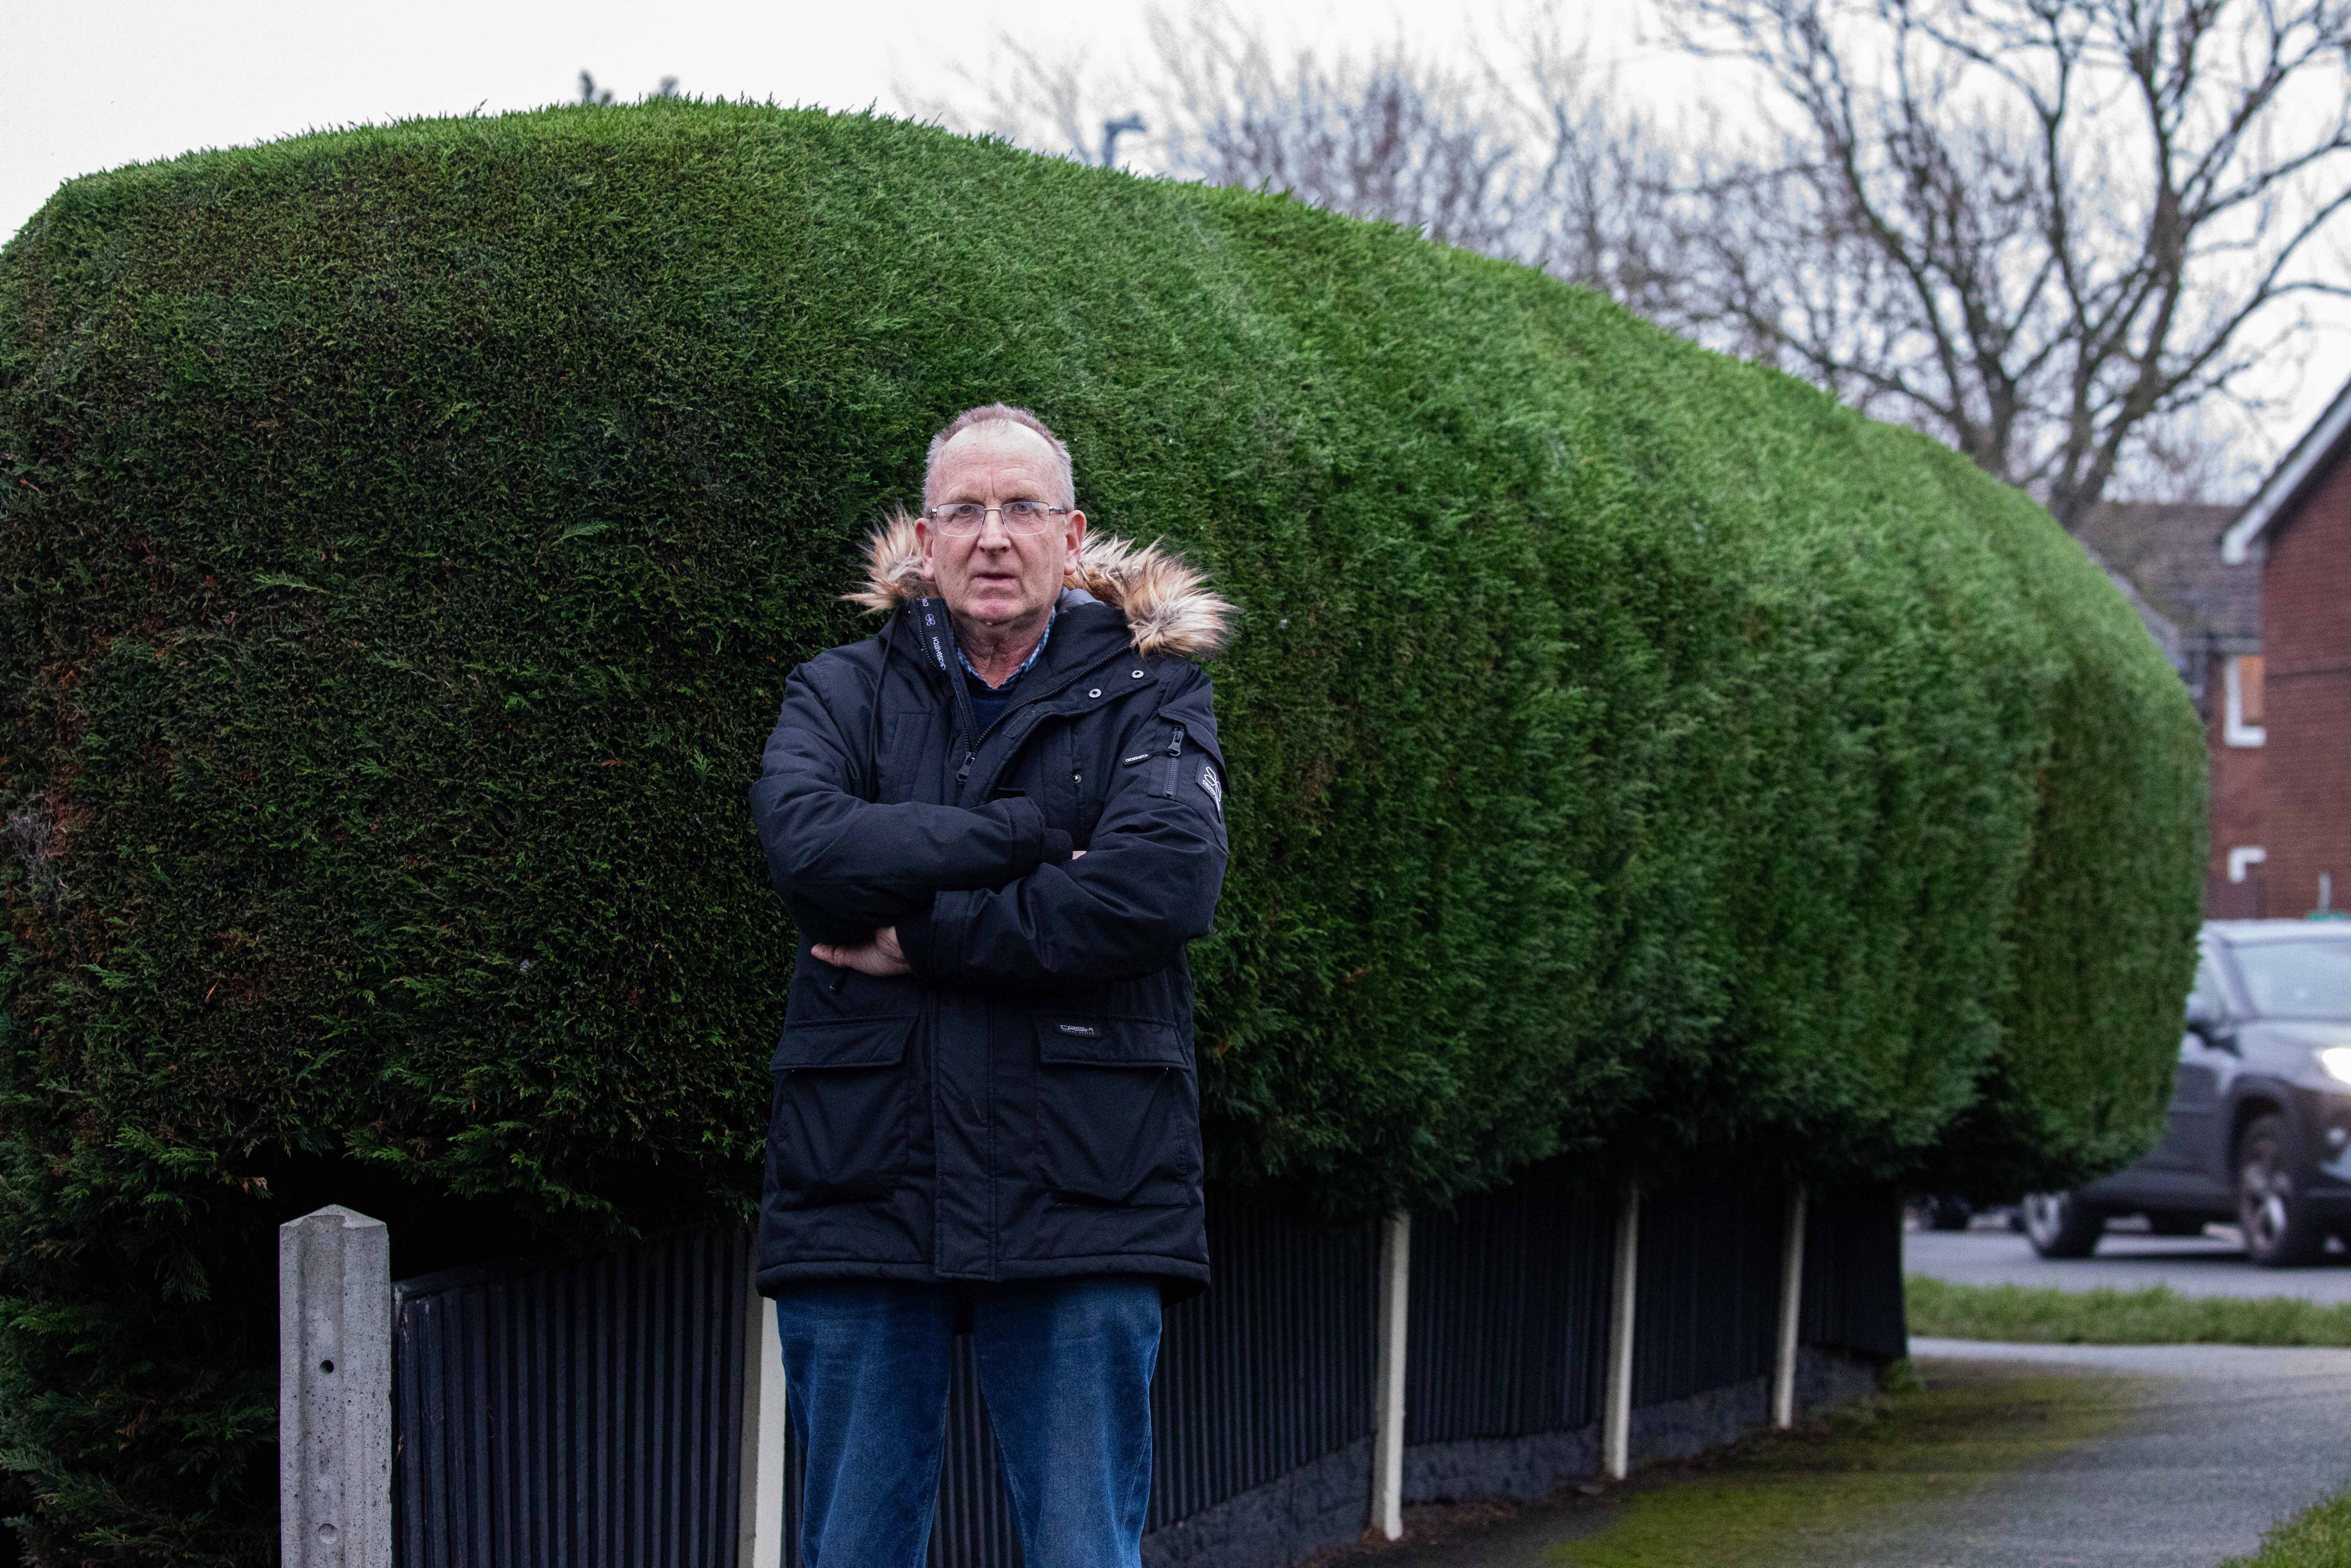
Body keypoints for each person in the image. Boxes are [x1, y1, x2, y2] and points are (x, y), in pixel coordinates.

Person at [748, 404, 1235, 1567]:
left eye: (1021, 508)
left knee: (1081, 1548)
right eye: (963, 510)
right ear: (924, 539)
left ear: (1072, 538)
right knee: (853, 1548)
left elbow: (1158, 889)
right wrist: (1027, 832)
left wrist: (921, 939)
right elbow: (810, 854)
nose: (992, 536)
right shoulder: (836, 690)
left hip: (1085, 1185)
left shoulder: (1152, 696)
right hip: (860, 1180)